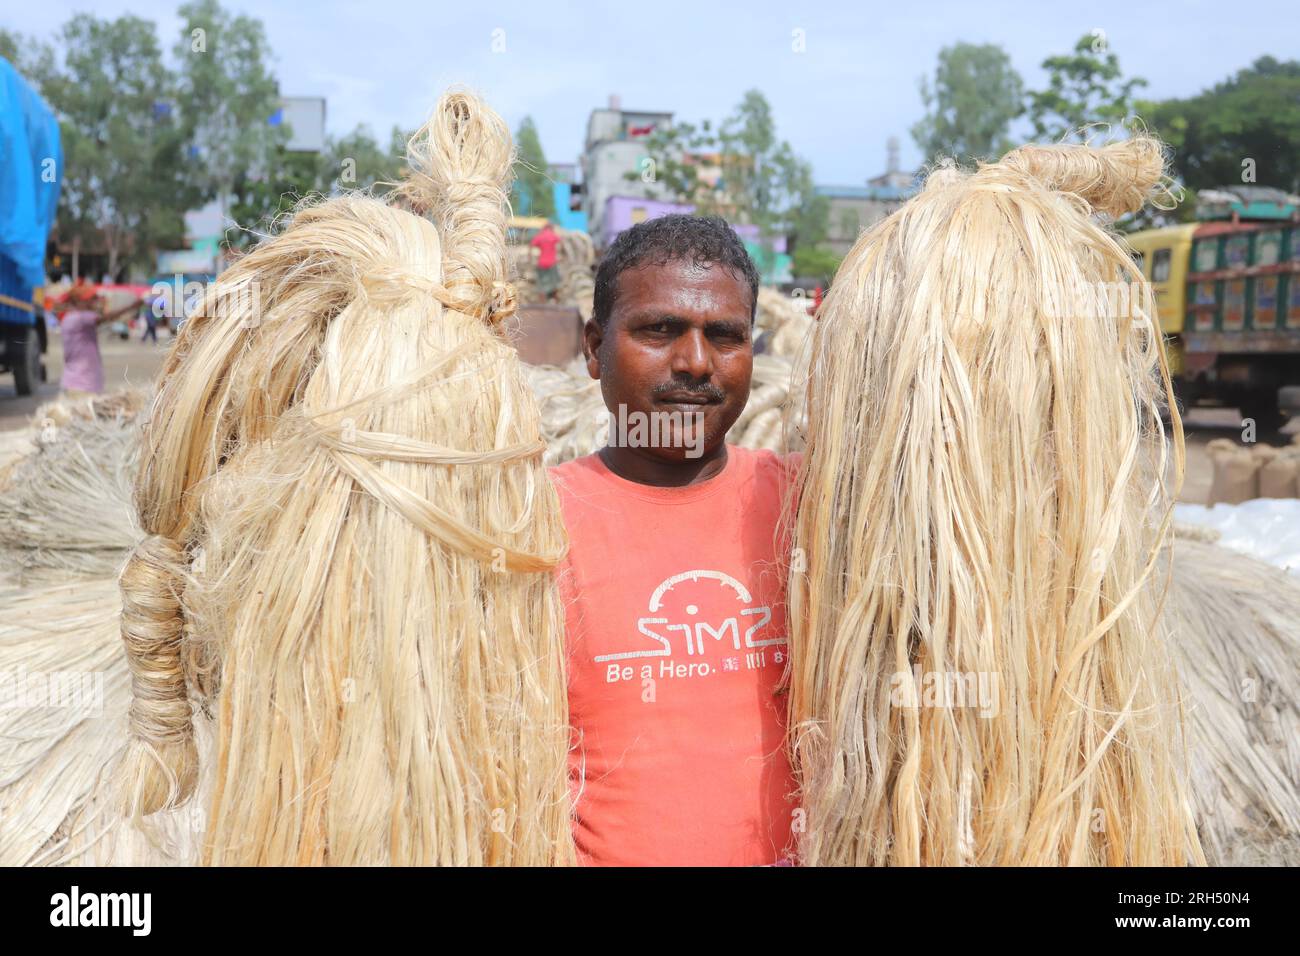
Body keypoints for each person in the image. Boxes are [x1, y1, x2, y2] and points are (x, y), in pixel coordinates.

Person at [549, 215, 799, 866]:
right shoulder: (529, 525)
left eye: (725, 336)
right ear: (594, 346)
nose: (694, 363)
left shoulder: (813, 508)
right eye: (659, 330)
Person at [56, 284, 142, 400]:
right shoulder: (82, 318)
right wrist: (132, 306)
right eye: (90, 300)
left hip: (72, 383)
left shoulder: (68, 318)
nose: (93, 302)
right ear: (78, 302)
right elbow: (107, 317)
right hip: (83, 386)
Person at [530, 220, 561, 302]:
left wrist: (530, 257)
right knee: (554, 282)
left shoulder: (540, 236)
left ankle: (542, 302)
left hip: (541, 263)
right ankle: (555, 301)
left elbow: (531, 245)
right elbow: (561, 244)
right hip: (552, 263)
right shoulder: (553, 235)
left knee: (541, 283)